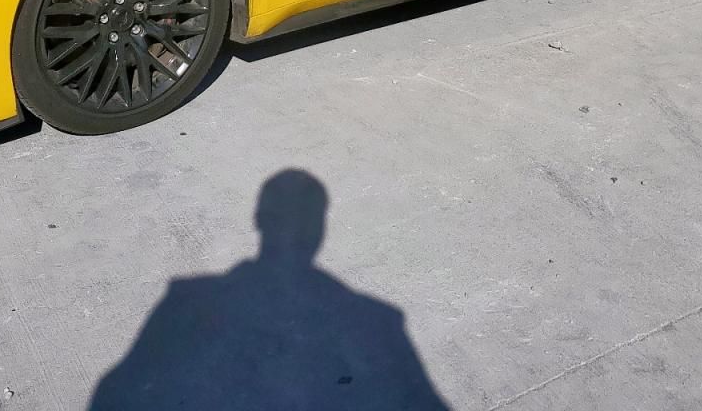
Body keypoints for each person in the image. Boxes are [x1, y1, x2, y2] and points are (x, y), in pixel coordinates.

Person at [89, 168, 450, 410]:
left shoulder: (184, 300)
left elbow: (115, 390)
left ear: (257, 220)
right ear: (320, 230)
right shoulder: (377, 320)